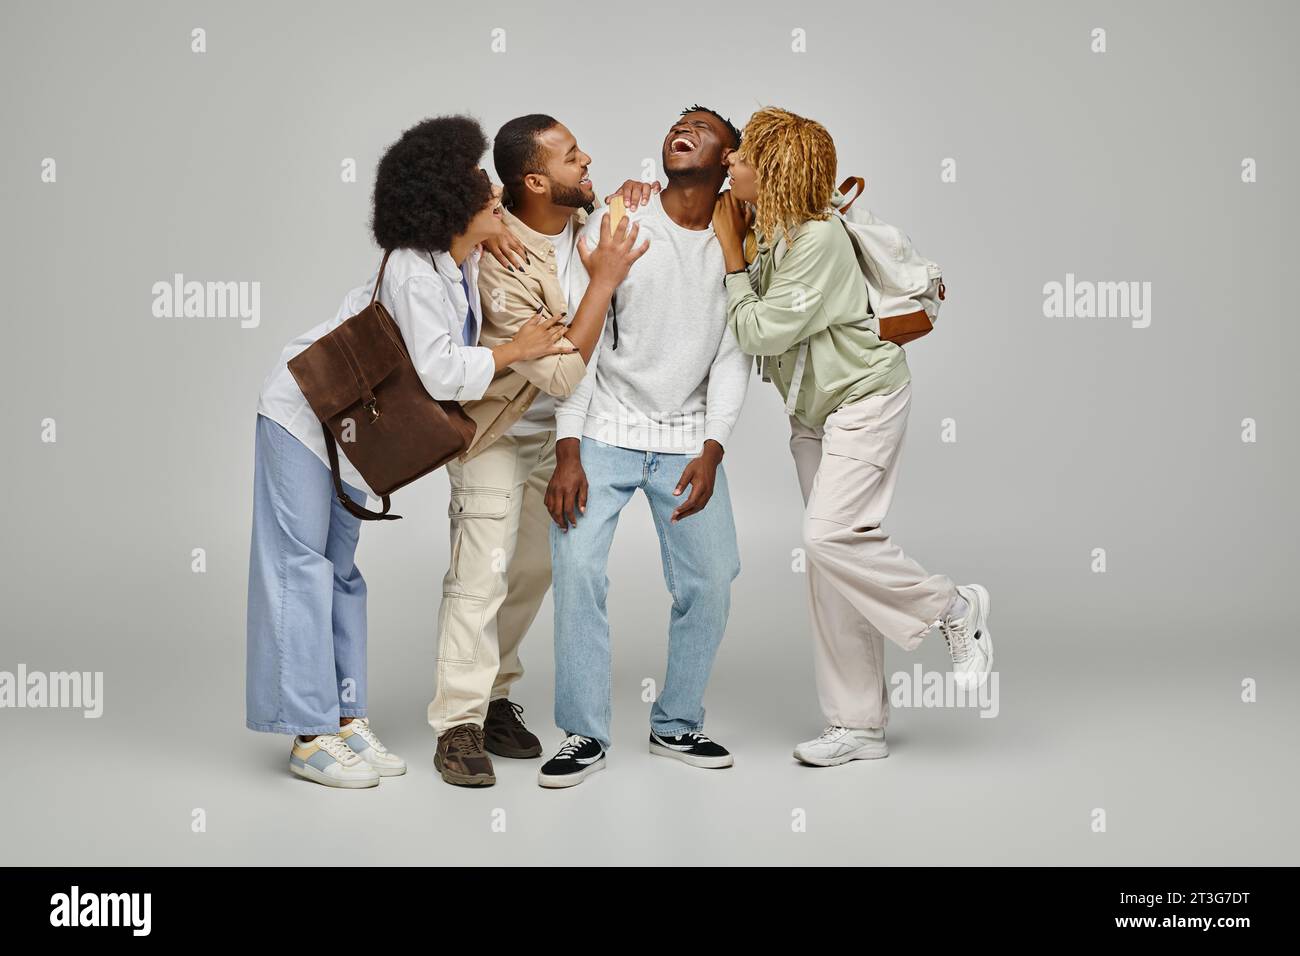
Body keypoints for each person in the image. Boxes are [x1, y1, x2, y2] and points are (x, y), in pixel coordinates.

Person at [247, 115, 572, 789]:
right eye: (476, 182)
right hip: (304, 417)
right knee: (299, 570)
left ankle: (344, 719)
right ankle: (307, 735)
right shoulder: (410, 270)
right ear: (445, 202)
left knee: (340, 572)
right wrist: (517, 350)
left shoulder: (461, 256)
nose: (492, 189)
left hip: (353, 434)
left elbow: (495, 241)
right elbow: (439, 375)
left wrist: (498, 230)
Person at [713, 107, 994, 768]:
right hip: (814, 412)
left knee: (829, 536)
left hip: (866, 400)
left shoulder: (816, 242)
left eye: (743, 155)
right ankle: (858, 725)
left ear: (772, 170)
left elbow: (757, 332)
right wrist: (743, 245)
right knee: (833, 563)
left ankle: (954, 605)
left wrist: (731, 254)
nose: (730, 162)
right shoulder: (777, 231)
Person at [428, 115, 649, 787]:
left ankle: (493, 697)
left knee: (530, 574)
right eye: (572, 157)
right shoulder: (503, 259)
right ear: (533, 180)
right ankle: (457, 724)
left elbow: (632, 208)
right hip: (494, 433)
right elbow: (558, 372)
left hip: (565, 440)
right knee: (479, 577)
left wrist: (636, 194)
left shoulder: (585, 222)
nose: (589, 162)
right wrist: (603, 282)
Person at [537, 106, 750, 789]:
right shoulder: (619, 220)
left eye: (702, 127)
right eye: (676, 123)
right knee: (576, 569)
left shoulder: (737, 240)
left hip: (687, 439)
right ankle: (583, 734)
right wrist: (568, 448)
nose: (681, 130)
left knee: (712, 579)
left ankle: (677, 722)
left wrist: (714, 447)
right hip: (603, 430)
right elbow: (583, 337)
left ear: (727, 159)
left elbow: (731, 354)